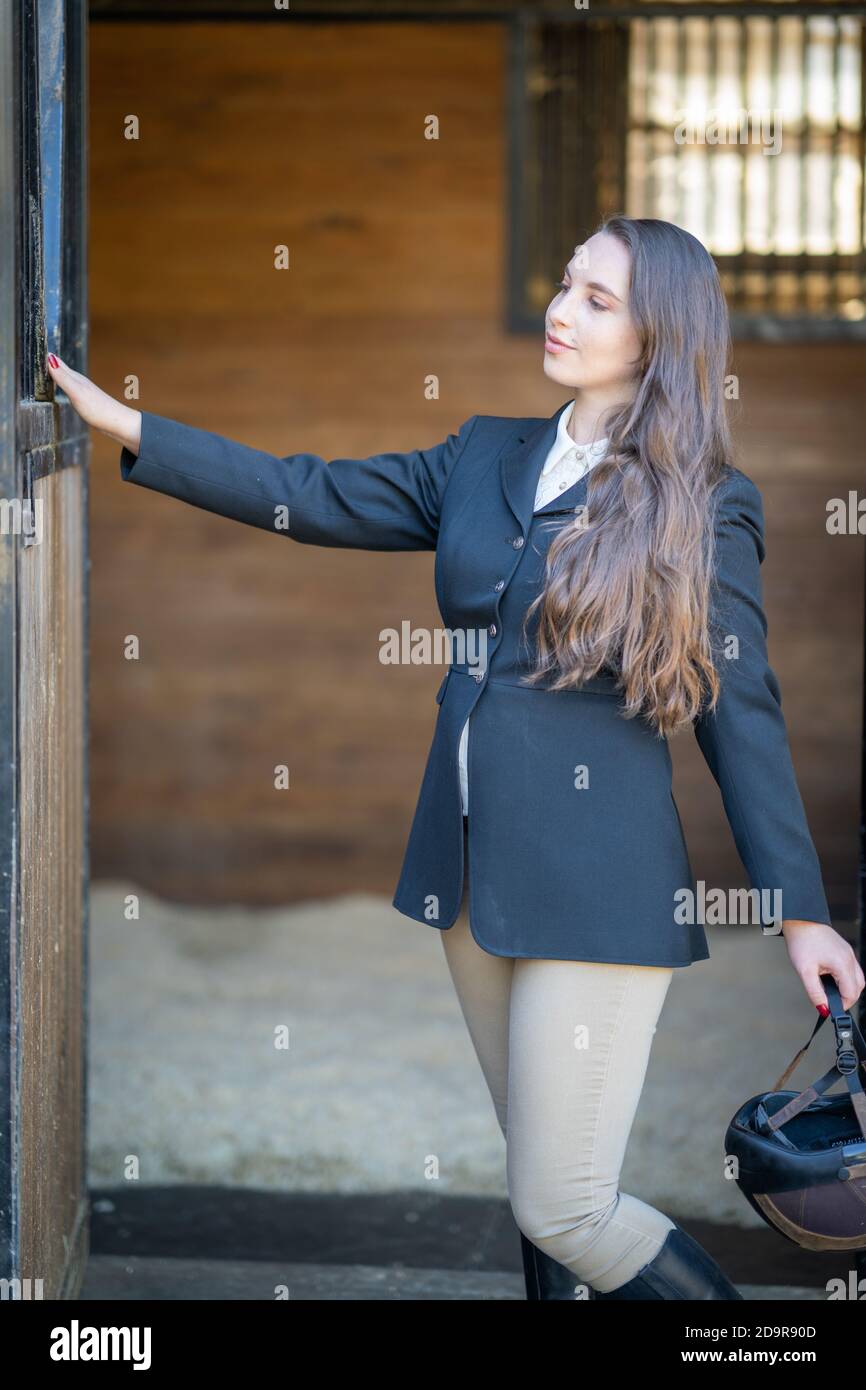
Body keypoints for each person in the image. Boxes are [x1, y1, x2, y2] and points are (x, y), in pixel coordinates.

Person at [48, 215, 863, 1301]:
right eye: (564, 285)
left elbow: (739, 712)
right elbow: (316, 493)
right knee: (541, 1182)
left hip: (597, 890)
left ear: (660, 337)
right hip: (475, 880)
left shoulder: (704, 503)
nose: (560, 311)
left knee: (564, 1202)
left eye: (596, 300)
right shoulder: (483, 455)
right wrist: (131, 426)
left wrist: (797, 908)